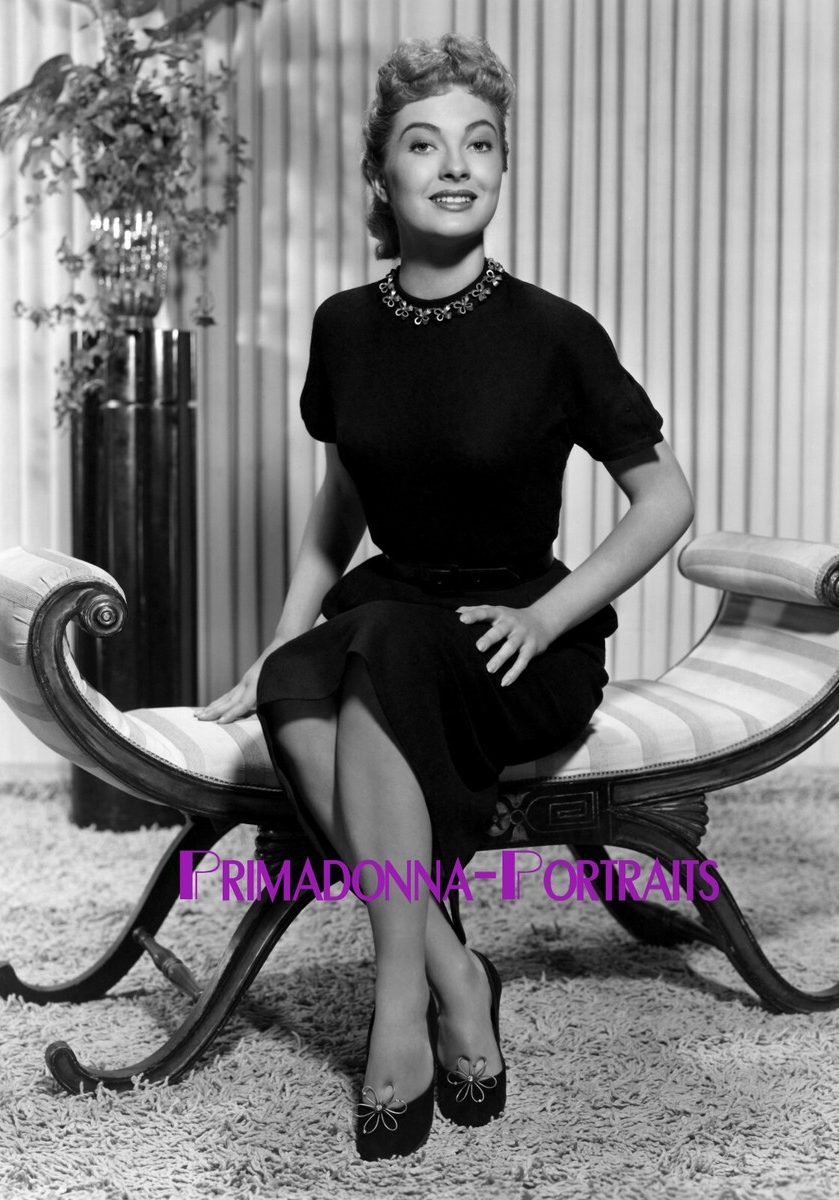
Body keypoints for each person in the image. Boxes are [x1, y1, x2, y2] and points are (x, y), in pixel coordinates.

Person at [196, 33, 694, 1161]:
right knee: (304, 680)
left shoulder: (554, 333)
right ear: (380, 174)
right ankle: (453, 972)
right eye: (423, 144)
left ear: (503, 165)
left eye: (479, 142)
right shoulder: (342, 327)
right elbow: (343, 499)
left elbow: (665, 498)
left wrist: (549, 617)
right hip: (392, 611)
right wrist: (276, 644)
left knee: (372, 657)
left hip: (516, 637)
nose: (455, 163)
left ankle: (396, 1010)